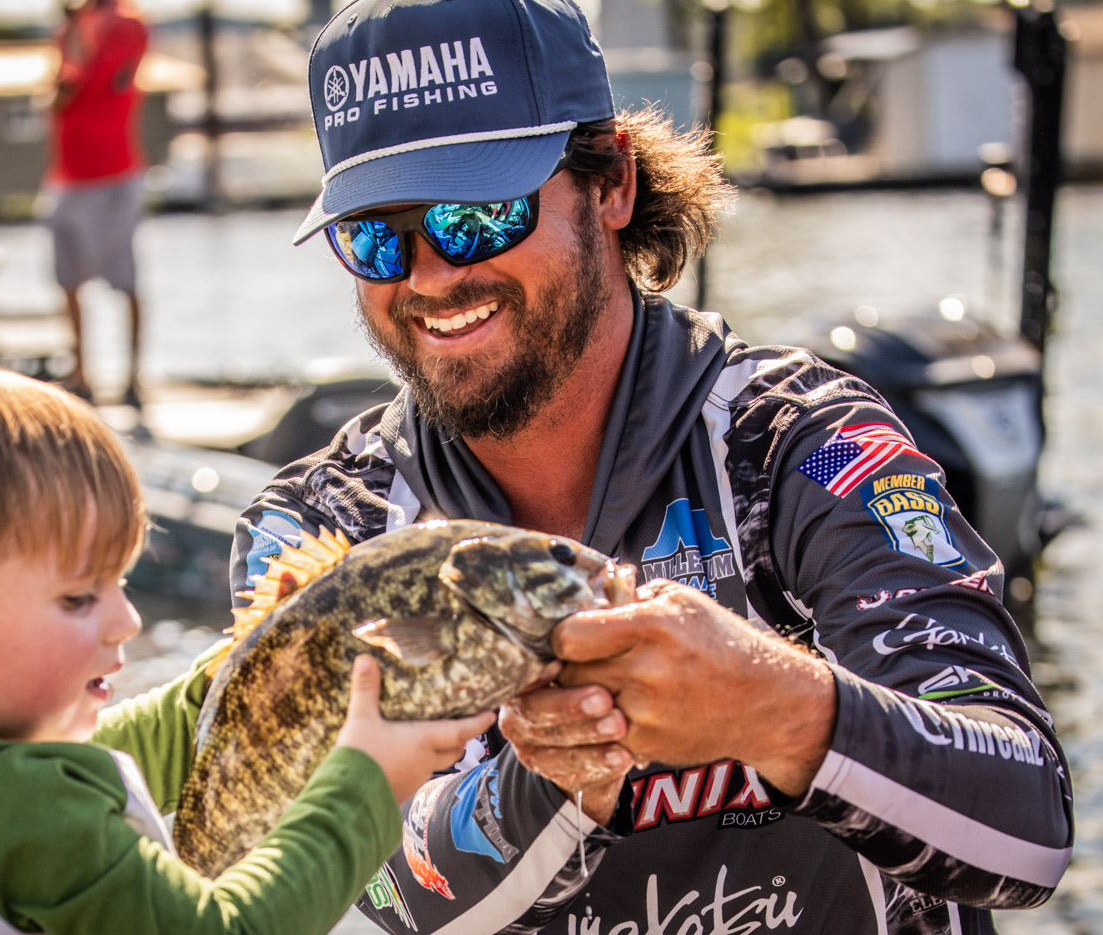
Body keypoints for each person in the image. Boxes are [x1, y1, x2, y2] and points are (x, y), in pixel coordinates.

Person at [227, 0, 1075, 932]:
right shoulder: (315, 532)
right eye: (377, 236)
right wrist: (553, 779)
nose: (429, 275)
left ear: (613, 183)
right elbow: (323, 900)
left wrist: (778, 708)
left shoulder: (809, 443)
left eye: (476, 214)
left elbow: (1028, 824)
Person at [0, 355, 494, 933]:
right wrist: (367, 776)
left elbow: (100, 758)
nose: (126, 621)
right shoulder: (30, 811)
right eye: (78, 597)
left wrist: (240, 671)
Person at [46, 0, 149, 406]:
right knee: (67, 280)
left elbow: (89, 81)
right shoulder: (71, 28)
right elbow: (58, 97)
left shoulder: (125, 22)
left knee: (126, 280)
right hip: (67, 176)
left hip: (113, 175)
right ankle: (81, 376)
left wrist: (74, 34)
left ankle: (133, 379)